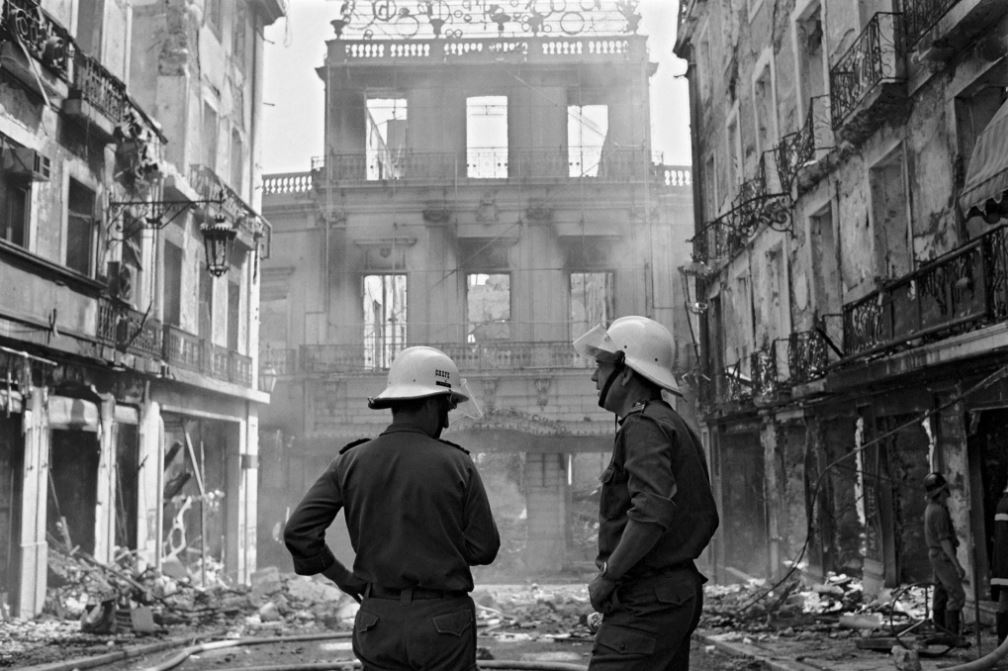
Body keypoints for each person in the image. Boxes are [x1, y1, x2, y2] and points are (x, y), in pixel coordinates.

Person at [283, 346, 500, 671]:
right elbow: (485, 548)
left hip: (377, 619)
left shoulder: (350, 461)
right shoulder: (458, 464)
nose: (447, 420)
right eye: (447, 406)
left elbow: (298, 532)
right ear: (432, 403)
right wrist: (438, 548)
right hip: (443, 624)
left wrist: (345, 580)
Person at [573, 316, 719, 670]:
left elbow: (651, 511)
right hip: (669, 593)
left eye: (601, 365)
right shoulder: (666, 421)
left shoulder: (643, 424)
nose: (594, 377)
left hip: (648, 599)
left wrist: (608, 577)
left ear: (625, 373)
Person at [923, 471, 966, 641]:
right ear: (940, 492)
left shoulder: (931, 508)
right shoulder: (938, 511)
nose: (947, 495)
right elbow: (944, 541)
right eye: (945, 491)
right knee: (957, 596)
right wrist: (957, 565)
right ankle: (952, 636)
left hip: (935, 555)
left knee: (940, 592)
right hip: (942, 556)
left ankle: (940, 631)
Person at [992, 482, 1008, 643]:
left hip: (1002, 562)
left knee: (1004, 597)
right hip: (1006, 561)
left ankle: (1002, 639)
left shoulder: (1002, 504)